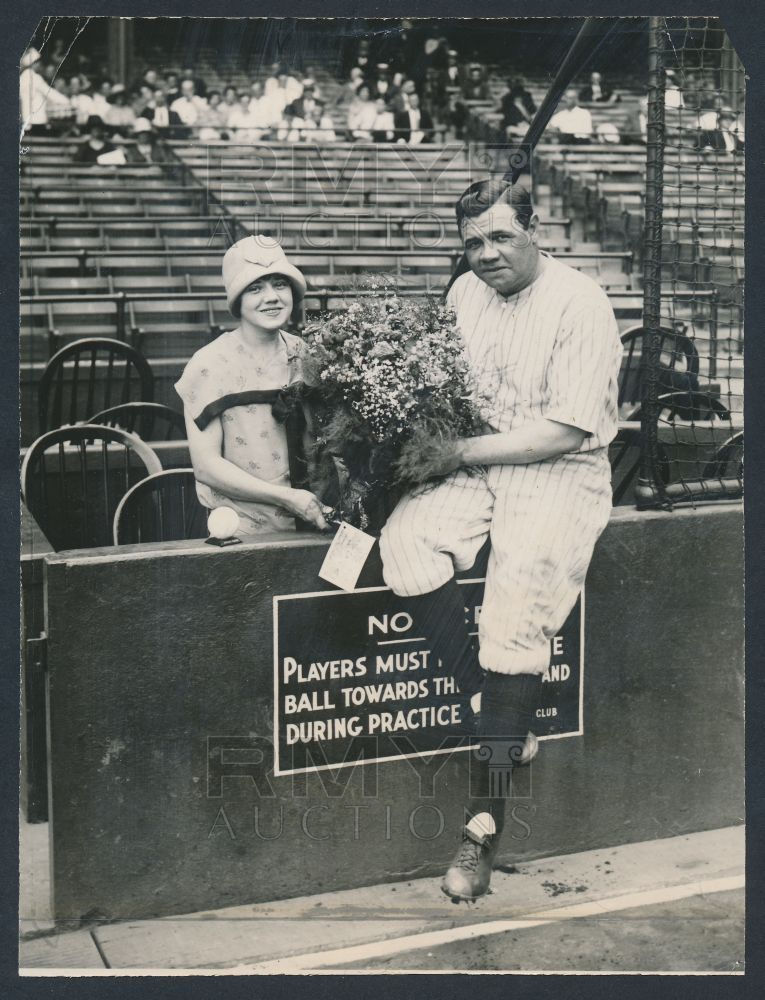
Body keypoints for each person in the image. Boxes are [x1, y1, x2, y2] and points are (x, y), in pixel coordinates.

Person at [378, 178, 622, 902]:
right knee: (406, 540)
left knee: (513, 613)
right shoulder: (464, 296)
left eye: (499, 237)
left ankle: (480, 830)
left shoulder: (581, 302)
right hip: (480, 460)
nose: (485, 254)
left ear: (534, 228)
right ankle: (495, 711)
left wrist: (456, 453)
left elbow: (565, 430)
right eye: (472, 243)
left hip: (559, 470)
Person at [175, 237, 330, 538]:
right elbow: (206, 466)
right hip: (242, 531)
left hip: (311, 522)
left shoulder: (306, 353)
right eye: (255, 288)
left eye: (279, 285)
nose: (271, 297)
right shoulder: (208, 364)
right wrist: (287, 498)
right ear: (237, 300)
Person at [20, 46, 70, 136]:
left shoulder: (22, 77)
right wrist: (67, 101)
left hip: (25, 121)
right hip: (37, 121)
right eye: (39, 63)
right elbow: (50, 93)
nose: (41, 66)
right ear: (35, 64)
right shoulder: (35, 78)